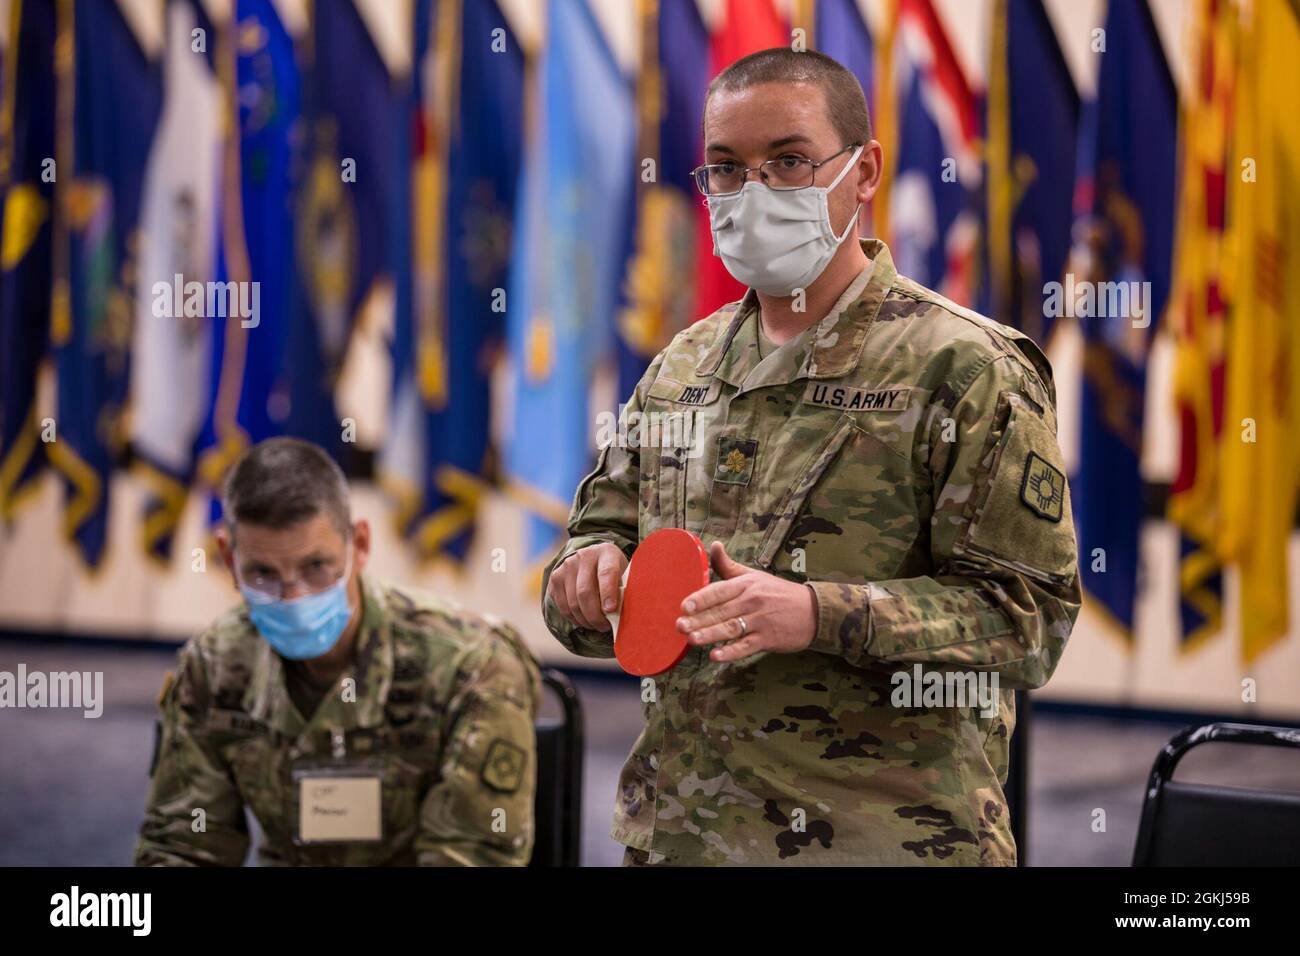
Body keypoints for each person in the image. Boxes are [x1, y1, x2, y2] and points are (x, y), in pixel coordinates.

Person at [542, 48, 1080, 865]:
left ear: (864, 173)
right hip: (682, 835)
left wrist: (819, 614)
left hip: (880, 842)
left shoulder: (965, 369)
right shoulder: (680, 367)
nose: (752, 192)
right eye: (725, 168)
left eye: (788, 161)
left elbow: (1029, 621)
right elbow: (598, 545)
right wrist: (583, 579)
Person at [136, 437, 540, 866]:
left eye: (315, 567)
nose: (292, 596)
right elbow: (184, 845)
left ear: (360, 544)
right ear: (228, 560)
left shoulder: (471, 664)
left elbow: (469, 857)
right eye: (264, 573)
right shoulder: (213, 669)